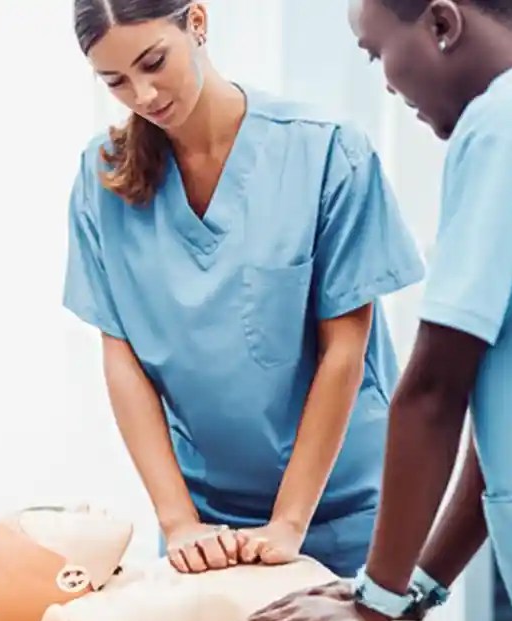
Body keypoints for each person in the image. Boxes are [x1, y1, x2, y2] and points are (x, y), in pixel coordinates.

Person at [65, 0, 425, 579]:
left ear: (197, 23)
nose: (144, 95)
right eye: (116, 81)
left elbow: (344, 351)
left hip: (346, 512)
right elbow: (122, 357)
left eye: (154, 62)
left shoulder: (325, 151)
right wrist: (179, 522)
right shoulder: (102, 176)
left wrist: (288, 523)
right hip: (207, 523)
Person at [221, 0, 512, 621]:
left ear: (441, 25)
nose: (384, 81)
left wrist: (374, 600)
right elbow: (495, 442)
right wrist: (415, 586)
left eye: (377, 52)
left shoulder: (498, 128)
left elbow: (434, 390)